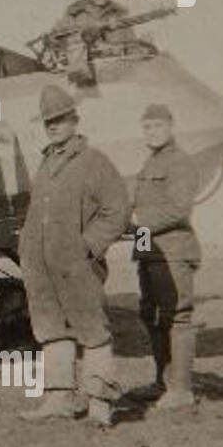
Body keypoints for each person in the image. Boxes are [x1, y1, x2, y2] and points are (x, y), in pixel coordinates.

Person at [18, 85, 130, 425]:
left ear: (75, 121)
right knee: (51, 329)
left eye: (60, 120)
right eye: (48, 121)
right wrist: (27, 247)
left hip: (77, 267)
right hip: (43, 267)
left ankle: (99, 404)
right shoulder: (46, 163)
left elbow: (117, 210)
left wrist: (88, 247)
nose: (53, 126)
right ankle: (58, 399)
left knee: (92, 330)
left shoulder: (94, 162)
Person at [132, 104, 201, 411]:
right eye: (147, 127)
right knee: (151, 314)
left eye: (158, 126)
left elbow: (178, 209)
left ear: (171, 127)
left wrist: (136, 225)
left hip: (173, 253)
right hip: (150, 254)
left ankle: (182, 389)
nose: (152, 132)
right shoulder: (151, 163)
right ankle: (163, 382)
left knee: (178, 315)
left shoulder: (180, 163)